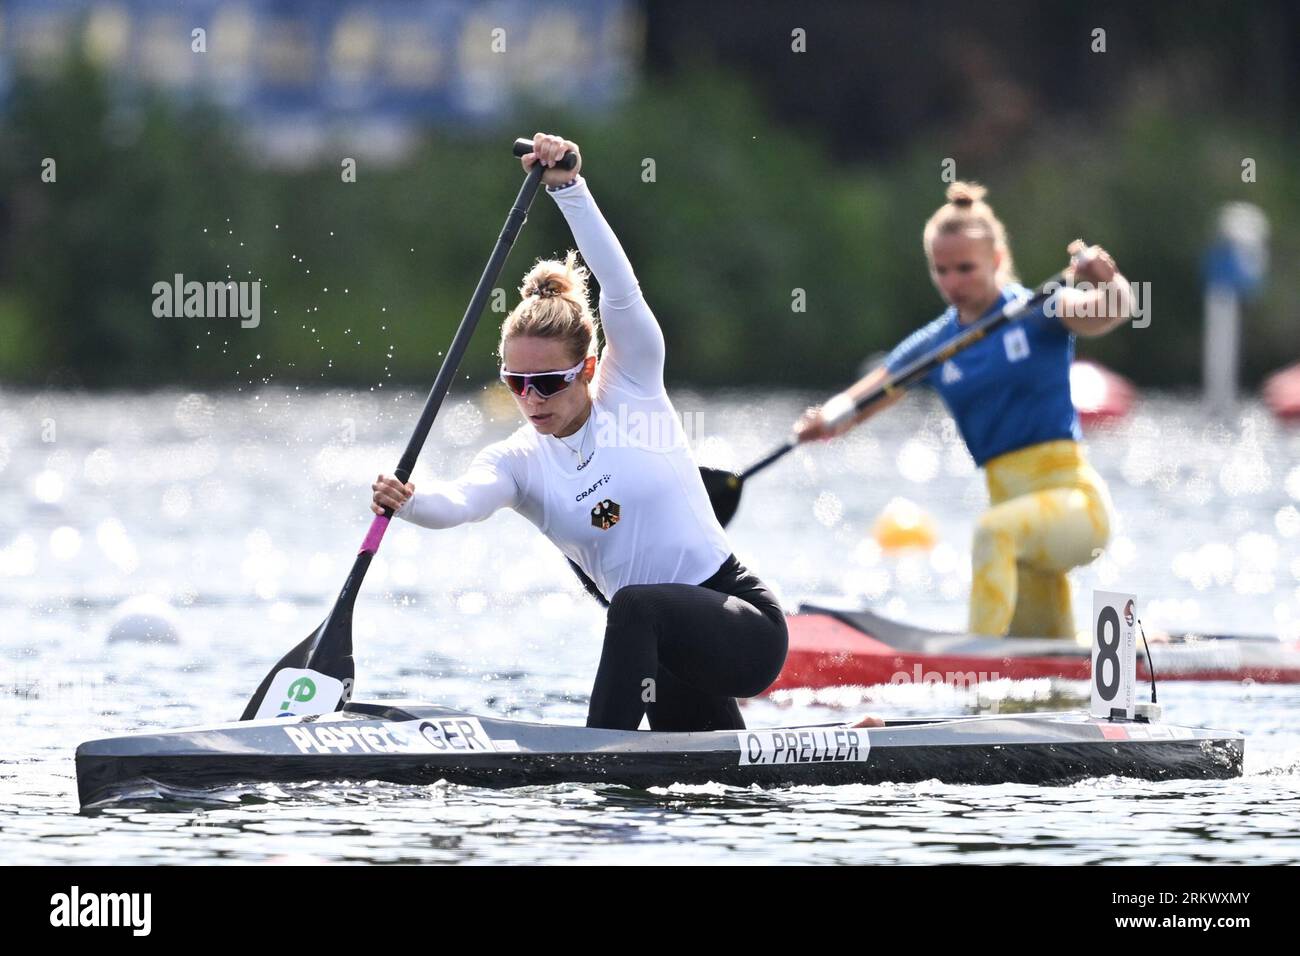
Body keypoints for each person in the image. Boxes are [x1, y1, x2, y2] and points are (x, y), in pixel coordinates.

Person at [372, 133, 788, 731]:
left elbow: (620, 290)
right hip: (667, 657)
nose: (530, 398)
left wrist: (568, 189)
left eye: (547, 382)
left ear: (587, 370)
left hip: (742, 625)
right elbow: (460, 503)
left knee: (634, 606)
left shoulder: (632, 391)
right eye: (516, 383)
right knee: (701, 788)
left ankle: (590, 769)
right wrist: (408, 502)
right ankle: (841, 747)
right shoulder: (517, 462)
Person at [796, 181, 1132, 639]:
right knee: (1045, 666)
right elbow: (875, 391)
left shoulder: (1039, 311)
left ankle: (967, 670)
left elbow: (1110, 312)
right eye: (942, 270)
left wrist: (1106, 280)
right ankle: (1017, 687)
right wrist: (826, 419)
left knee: (992, 533)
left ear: (995, 260)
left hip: (1076, 510)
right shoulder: (937, 342)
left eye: (965, 268)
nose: (952, 282)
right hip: (1017, 523)